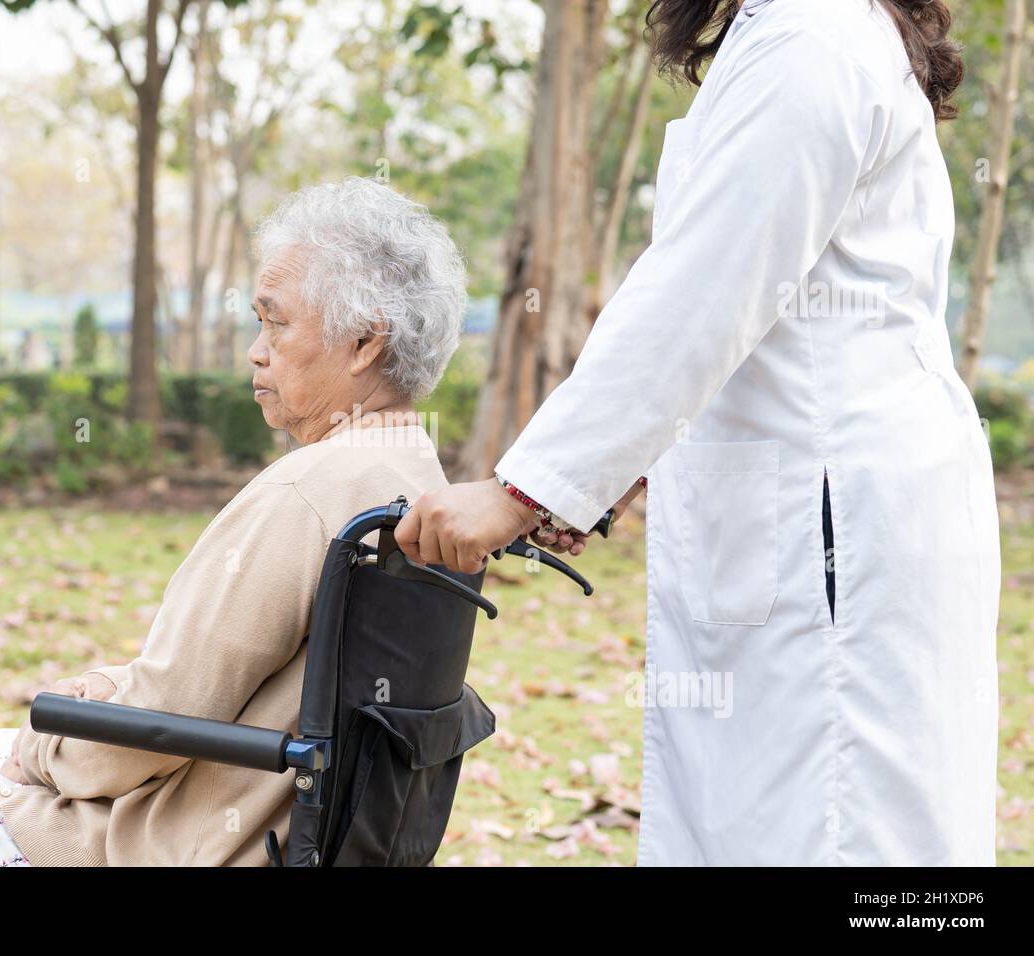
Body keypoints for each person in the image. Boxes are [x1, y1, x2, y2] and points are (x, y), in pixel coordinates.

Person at [396, 0, 1000, 865]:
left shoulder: (811, 37)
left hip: (834, 521)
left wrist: (521, 490)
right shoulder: (802, 30)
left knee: (839, 832)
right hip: (815, 501)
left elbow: (700, 293)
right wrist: (621, 470)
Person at [0, 177, 467, 866]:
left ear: (363, 342)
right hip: (278, 829)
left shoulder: (312, 489)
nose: (255, 351)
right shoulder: (416, 477)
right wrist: (101, 697)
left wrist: (43, 746)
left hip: (184, 845)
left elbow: (152, 730)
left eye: (275, 322)